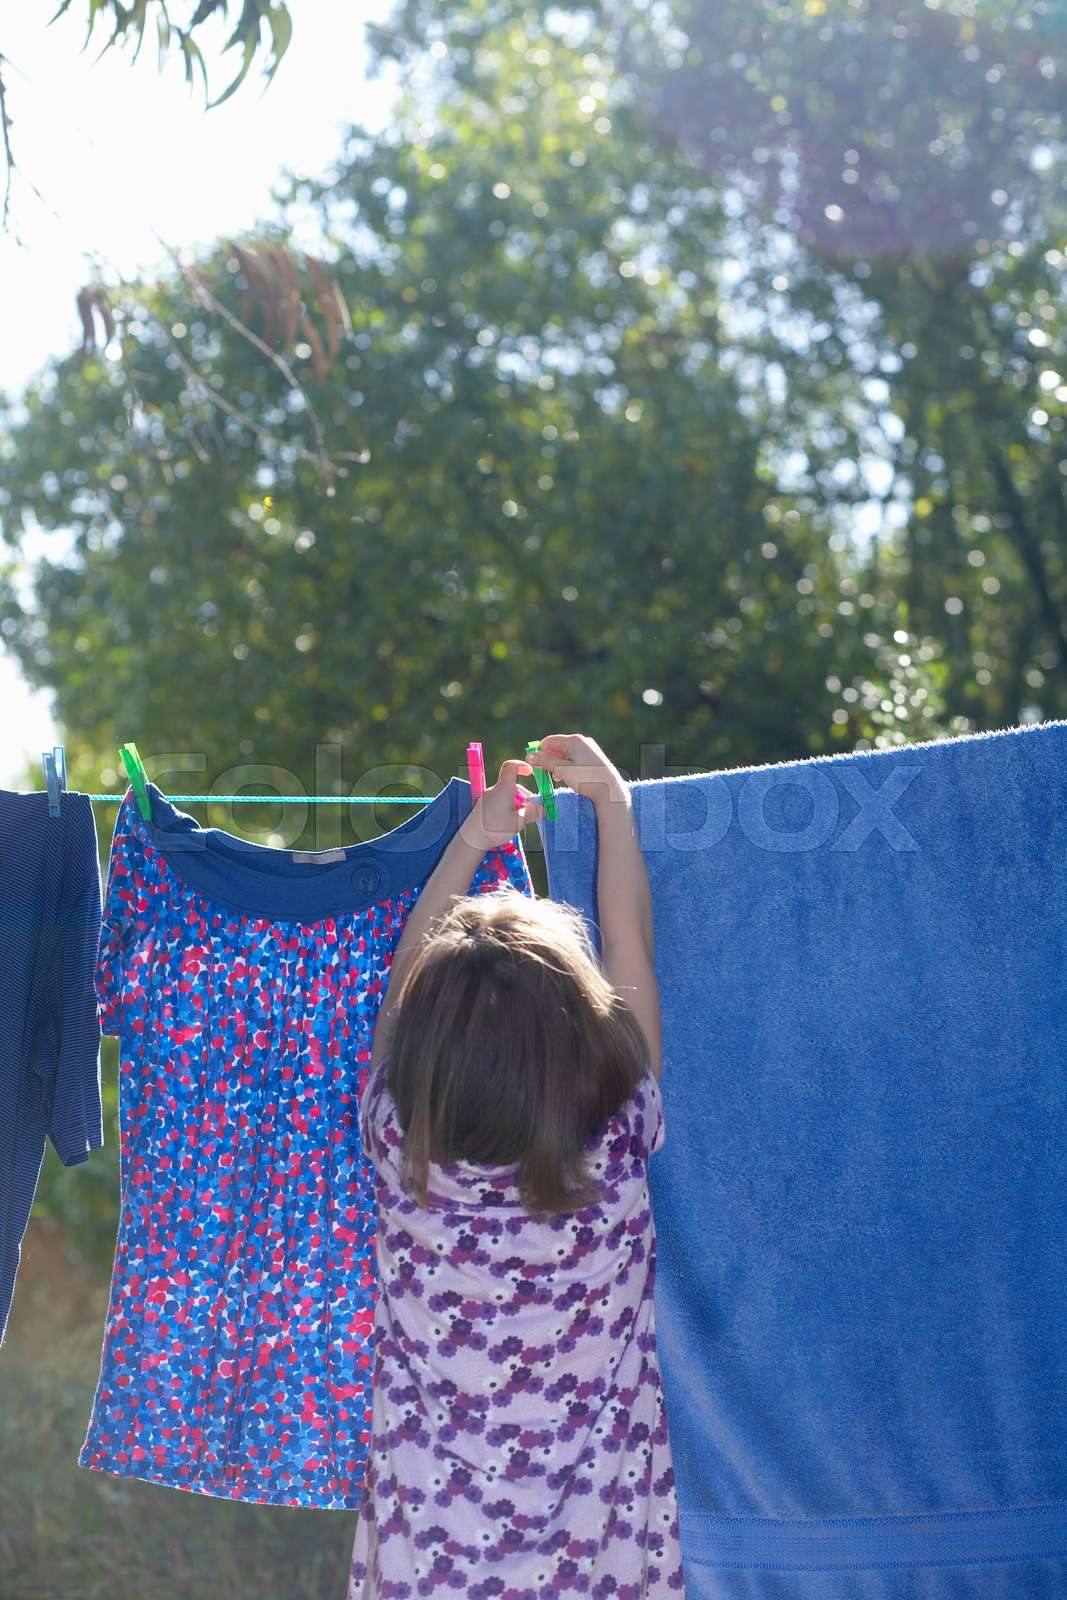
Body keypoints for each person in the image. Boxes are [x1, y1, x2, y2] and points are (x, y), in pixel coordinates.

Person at [348, 733, 685, 1597]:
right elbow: (630, 949)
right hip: (605, 1554)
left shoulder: (401, 1146)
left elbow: (396, 1002)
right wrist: (612, 804)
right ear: (583, 1030)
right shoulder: (615, 1139)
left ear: (426, 1048)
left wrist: (471, 840)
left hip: (431, 1554)